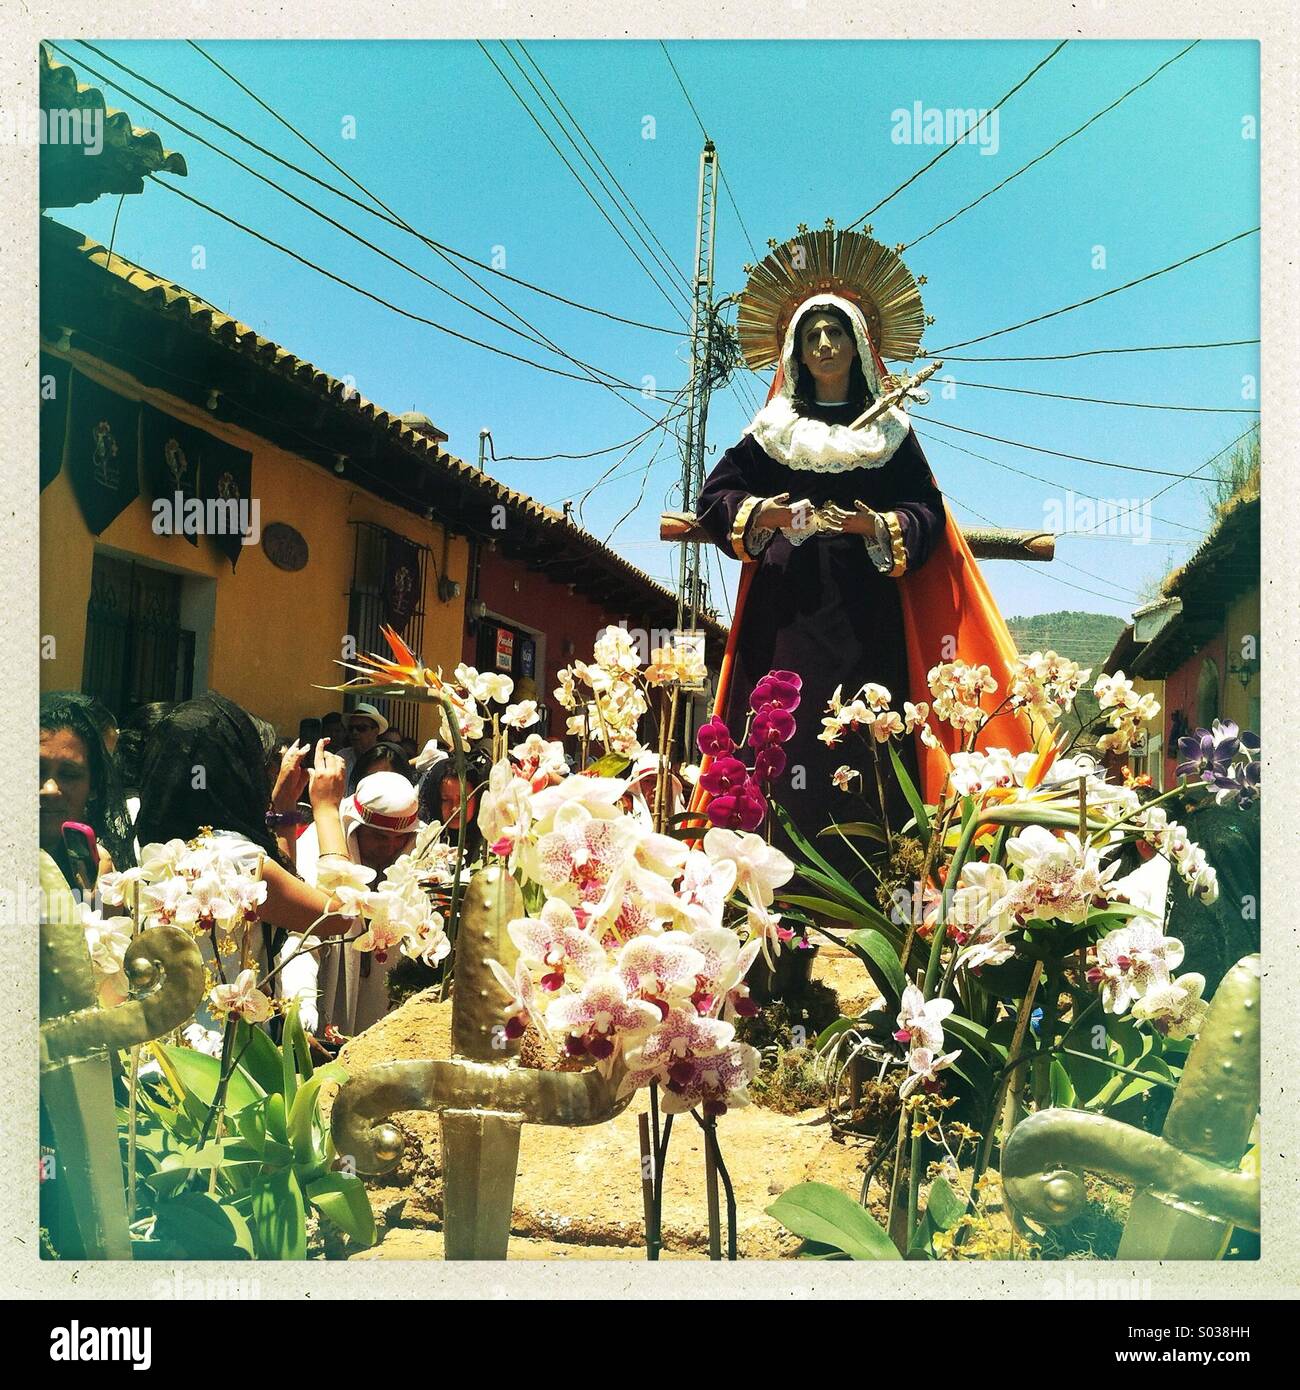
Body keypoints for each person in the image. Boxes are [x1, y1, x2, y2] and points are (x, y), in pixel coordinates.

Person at [696, 256, 1035, 858]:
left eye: (836, 333)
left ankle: (874, 882)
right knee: (787, 729)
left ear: (857, 346)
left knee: (865, 732)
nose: (824, 344)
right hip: (786, 608)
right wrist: (766, 515)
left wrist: (878, 523)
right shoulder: (774, 428)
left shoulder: (891, 432)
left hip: (865, 611)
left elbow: (928, 510)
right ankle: (774, 878)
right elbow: (716, 494)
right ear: (796, 352)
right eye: (811, 335)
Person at [134, 693, 357, 1034]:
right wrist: (327, 809)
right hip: (223, 1057)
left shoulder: (160, 851)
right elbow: (339, 916)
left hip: (167, 1044)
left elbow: (276, 899)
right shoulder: (231, 857)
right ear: (235, 771)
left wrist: (282, 812)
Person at [287, 770, 425, 1037]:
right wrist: (301, 1009)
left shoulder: (420, 857)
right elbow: (302, 939)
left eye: (400, 839)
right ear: (354, 827)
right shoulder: (317, 848)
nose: (390, 848)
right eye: (380, 838)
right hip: (327, 1001)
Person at [39, 691, 136, 891]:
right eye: (36, 770)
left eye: (69, 774)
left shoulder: (97, 871)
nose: (49, 790)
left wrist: (102, 910)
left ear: (93, 786)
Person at [345, 702, 389, 792]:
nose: (354, 732)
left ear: (375, 731)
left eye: (361, 728)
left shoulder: (386, 759)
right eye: (351, 728)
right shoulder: (341, 757)